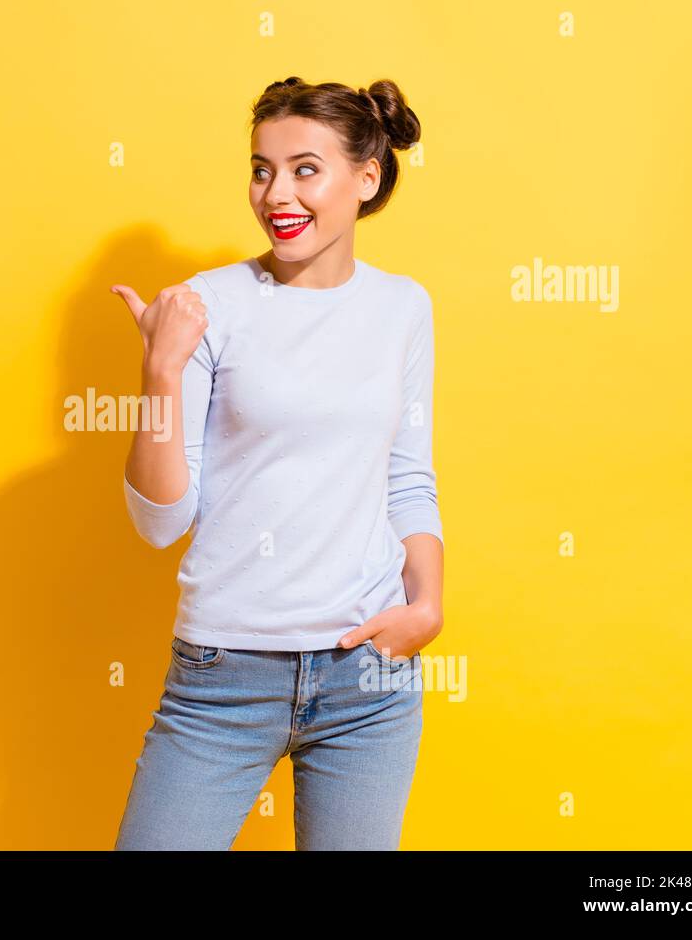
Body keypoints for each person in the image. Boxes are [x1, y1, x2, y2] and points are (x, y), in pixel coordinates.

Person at [110, 76, 444, 850]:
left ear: (367, 178)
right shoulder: (205, 305)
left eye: (304, 169)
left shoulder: (403, 307)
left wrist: (427, 603)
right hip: (225, 676)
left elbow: (407, 476)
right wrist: (161, 369)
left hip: (368, 680)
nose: (275, 193)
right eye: (261, 170)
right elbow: (159, 522)